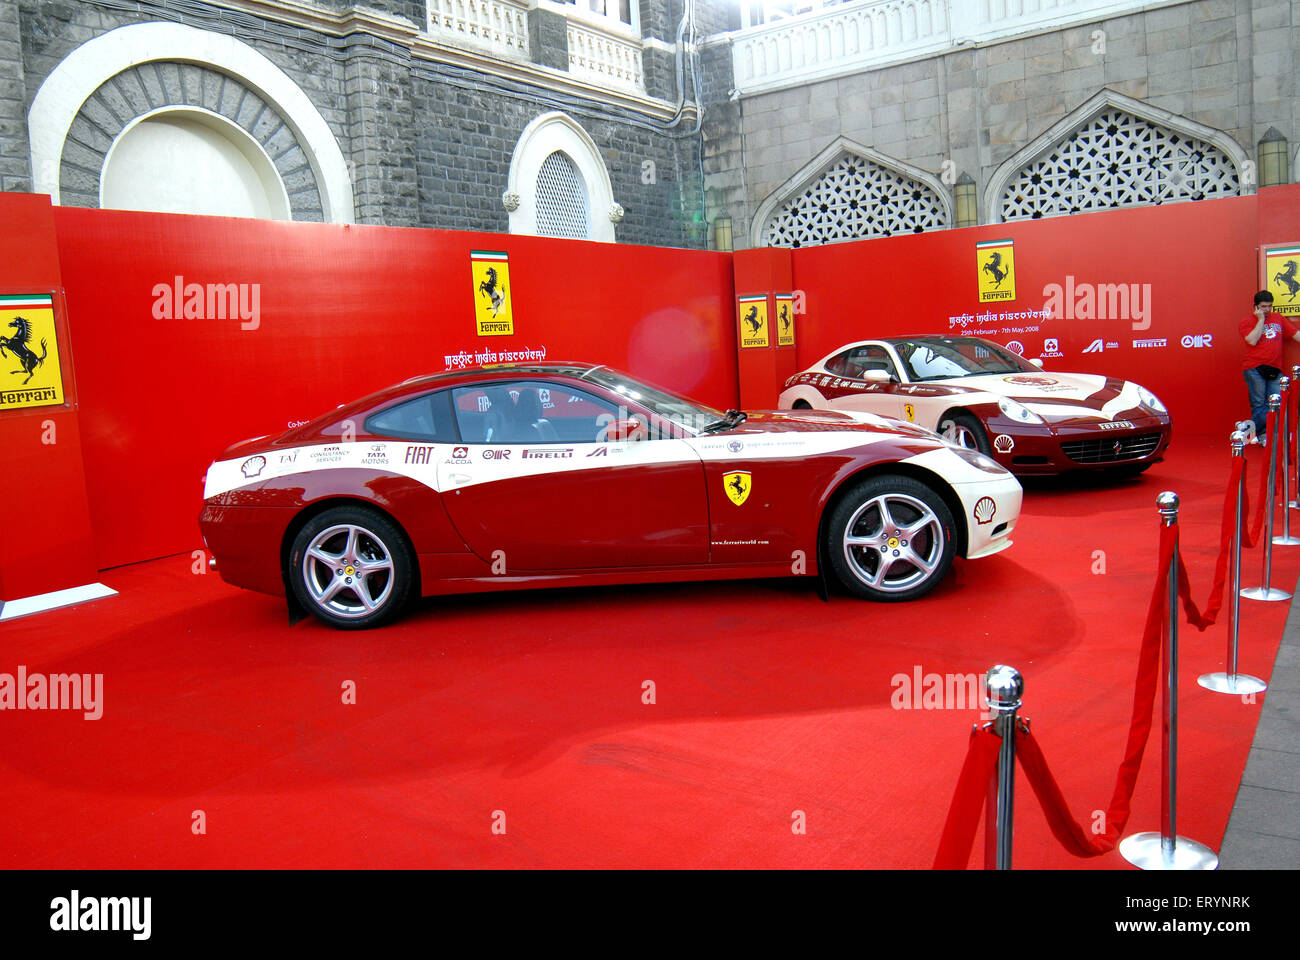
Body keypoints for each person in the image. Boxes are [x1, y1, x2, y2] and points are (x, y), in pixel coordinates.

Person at [1237, 290, 1300, 445]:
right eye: (1263, 306)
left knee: (1278, 403)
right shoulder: (1246, 321)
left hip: (1275, 368)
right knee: (1259, 404)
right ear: (1256, 306)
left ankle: (1245, 428)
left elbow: (1295, 334)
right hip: (1254, 367)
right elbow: (1252, 340)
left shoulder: (1278, 318)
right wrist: (1261, 320)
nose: (1267, 309)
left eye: (1269, 306)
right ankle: (1263, 436)